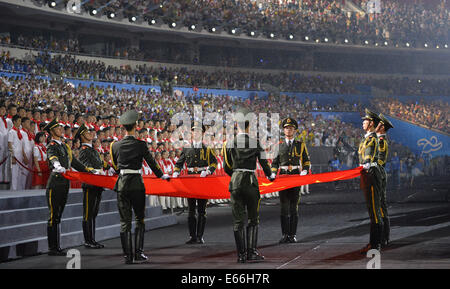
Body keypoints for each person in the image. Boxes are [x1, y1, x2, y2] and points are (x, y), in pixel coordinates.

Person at [110, 110, 170, 264]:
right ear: (135, 126)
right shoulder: (141, 144)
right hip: (137, 183)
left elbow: (116, 167)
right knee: (140, 219)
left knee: (124, 222)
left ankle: (127, 256)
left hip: (122, 184)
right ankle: (138, 253)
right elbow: (152, 162)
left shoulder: (115, 145)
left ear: (123, 127)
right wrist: (161, 175)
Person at [222, 107, 275, 263]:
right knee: (253, 218)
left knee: (238, 220)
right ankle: (251, 252)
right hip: (251, 183)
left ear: (237, 126)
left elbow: (226, 166)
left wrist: (236, 175)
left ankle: (241, 255)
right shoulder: (255, 142)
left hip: (236, 182)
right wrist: (270, 175)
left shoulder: (229, 143)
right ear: (248, 126)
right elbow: (264, 162)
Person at [43, 119, 94, 256]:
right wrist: (57, 165)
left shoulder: (65, 146)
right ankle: (52, 247)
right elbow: (52, 156)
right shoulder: (52, 145)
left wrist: (89, 170)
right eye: (57, 128)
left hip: (65, 183)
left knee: (58, 215)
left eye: (60, 127)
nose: (60, 130)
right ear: (52, 131)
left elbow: (74, 162)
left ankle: (56, 246)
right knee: (53, 216)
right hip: (55, 182)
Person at [173, 122, 217, 244]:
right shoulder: (187, 148)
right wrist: (176, 171)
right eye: (194, 131)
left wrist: (208, 171)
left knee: (202, 210)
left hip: (203, 180)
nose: (195, 133)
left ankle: (200, 235)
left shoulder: (207, 148)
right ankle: (192, 236)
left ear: (202, 133)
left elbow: (214, 163)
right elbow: (179, 163)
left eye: (198, 131)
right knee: (191, 209)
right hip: (191, 179)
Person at [271, 117, 311, 244]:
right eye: (286, 128)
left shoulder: (301, 145)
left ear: (295, 130)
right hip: (283, 176)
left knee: (294, 207)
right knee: (284, 207)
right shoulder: (279, 145)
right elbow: (275, 162)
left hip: (295, 176)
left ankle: (292, 234)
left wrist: (305, 170)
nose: (289, 130)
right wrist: (272, 172)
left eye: (291, 128)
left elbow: (306, 160)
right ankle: (285, 234)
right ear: (283, 130)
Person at [75, 124, 110, 249]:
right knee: (88, 213)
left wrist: (111, 167)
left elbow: (101, 164)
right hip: (90, 184)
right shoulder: (84, 150)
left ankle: (92, 239)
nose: (91, 133)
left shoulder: (92, 150)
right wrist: (96, 170)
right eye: (87, 132)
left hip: (97, 184)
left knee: (93, 213)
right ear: (83, 136)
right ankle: (88, 240)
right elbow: (85, 166)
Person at [358, 109, 383, 253]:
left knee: (374, 210)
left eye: (365, 121)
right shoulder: (365, 138)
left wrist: (366, 162)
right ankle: (373, 243)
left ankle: (376, 244)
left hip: (372, 174)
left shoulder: (373, 139)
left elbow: (368, 155)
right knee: (371, 210)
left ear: (371, 123)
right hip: (367, 175)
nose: (363, 123)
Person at [376, 113, 394, 248]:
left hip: (379, 173)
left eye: (378, 124)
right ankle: (381, 236)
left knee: (381, 206)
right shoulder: (377, 139)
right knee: (378, 205)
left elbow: (380, 159)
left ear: (382, 127)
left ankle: (384, 236)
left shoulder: (381, 141)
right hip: (376, 173)